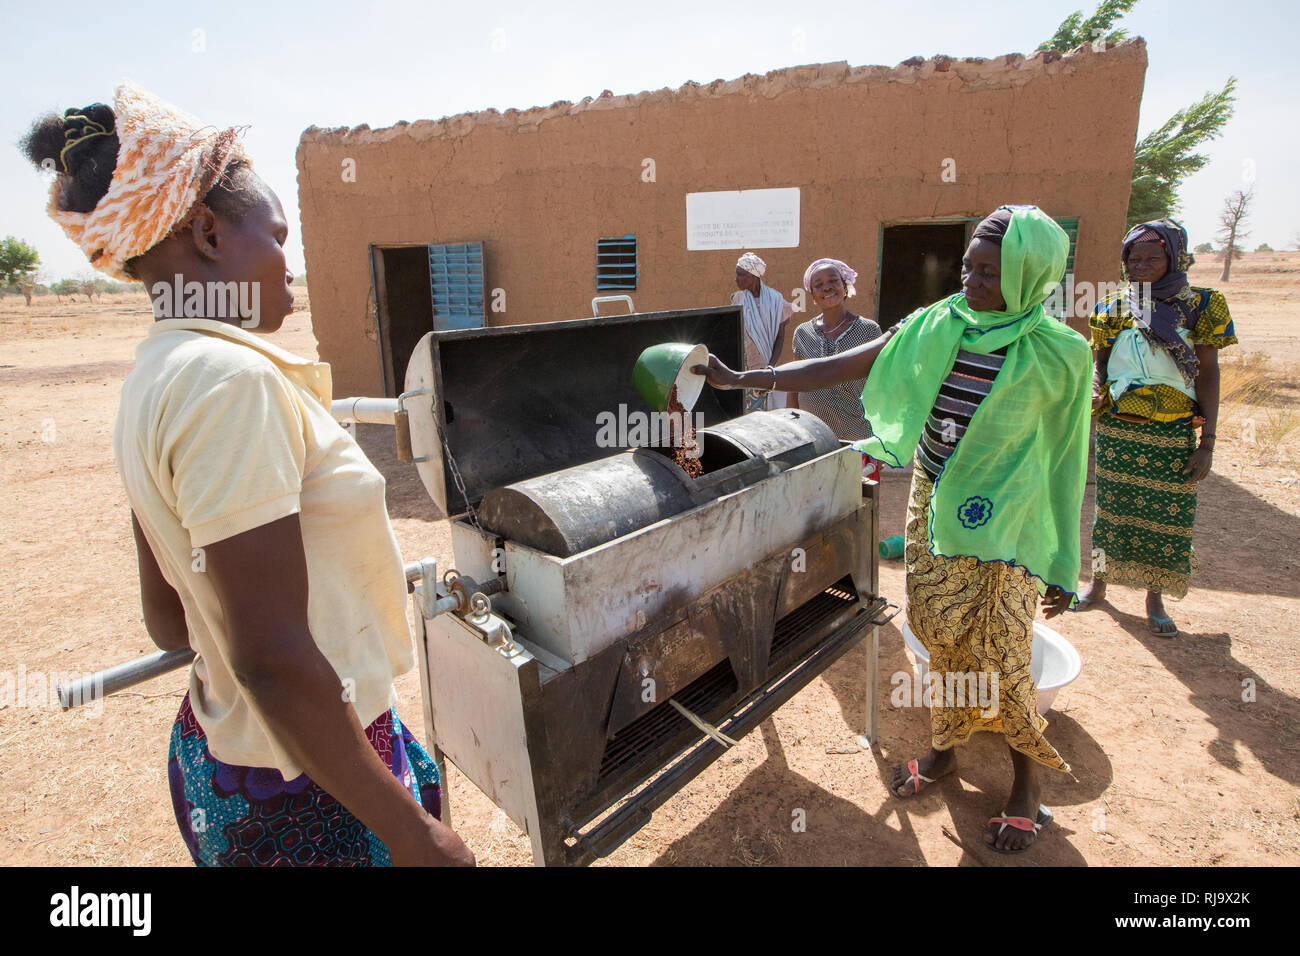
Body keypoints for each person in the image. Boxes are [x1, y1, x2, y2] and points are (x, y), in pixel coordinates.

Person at [23, 82, 473, 866]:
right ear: (204, 233)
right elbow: (269, 655)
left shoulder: (154, 380)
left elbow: (172, 623)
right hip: (309, 783)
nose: (287, 263)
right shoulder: (232, 385)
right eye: (276, 234)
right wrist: (413, 832)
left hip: (235, 752)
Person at [696, 206, 1092, 853]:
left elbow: (1066, 463)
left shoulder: (1062, 356)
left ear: (1029, 274)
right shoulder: (941, 324)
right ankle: (945, 752)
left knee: (1003, 649)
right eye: (970, 267)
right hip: (936, 504)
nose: (972, 281)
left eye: (991, 273)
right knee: (938, 633)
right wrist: (748, 378)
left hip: (1011, 522)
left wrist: (1061, 561)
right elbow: (848, 364)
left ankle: (1027, 788)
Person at [1079, 220, 1235, 636]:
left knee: (1168, 520)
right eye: (1133, 257)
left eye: (1153, 257)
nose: (1141, 265)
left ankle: (1155, 597)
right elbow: (1100, 363)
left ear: (1174, 257)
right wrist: (1095, 388)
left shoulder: (1201, 306)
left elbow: (1208, 373)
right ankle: (1097, 586)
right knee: (1108, 515)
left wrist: (1208, 443)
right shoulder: (1113, 307)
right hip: (1117, 430)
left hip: (1170, 436)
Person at [789, 258, 883, 475]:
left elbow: (882, 387)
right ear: (812, 293)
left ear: (845, 286)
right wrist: (794, 430)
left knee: (860, 501)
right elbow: (793, 385)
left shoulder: (869, 331)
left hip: (858, 438)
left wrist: (881, 439)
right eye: (818, 284)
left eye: (833, 281)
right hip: (814, 439)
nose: (827, 287)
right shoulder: (803, 333)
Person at [731, 252, 793, 411]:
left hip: (767, 366)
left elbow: (780, 337)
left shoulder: (776, 300)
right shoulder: (738, 299)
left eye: (741, 275)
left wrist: (770, 367)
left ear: (754, 276)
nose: (736, 279)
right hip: (745, 369)